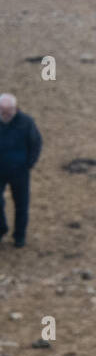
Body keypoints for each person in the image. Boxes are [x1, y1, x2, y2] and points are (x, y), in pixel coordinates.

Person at [0, 94, 41, 248]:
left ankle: (19, 236)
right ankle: (1, 229)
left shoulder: (26, 122)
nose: (6, 114)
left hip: (20, 172)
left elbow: (36, 143)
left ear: (15, 108)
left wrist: (28, 164)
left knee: (21, 205)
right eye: (2, 111)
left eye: (9, 110)